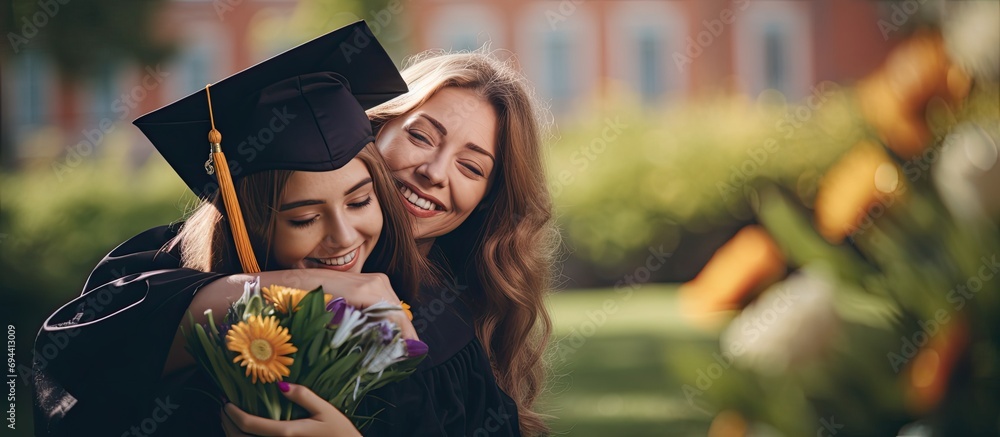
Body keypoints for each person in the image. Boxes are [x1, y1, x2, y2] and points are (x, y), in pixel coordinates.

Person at [31, 22, 428, 436]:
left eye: (360, 201)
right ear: (250, 223)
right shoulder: (162, 278)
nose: (345, 237)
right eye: (303, 219)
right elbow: (76, 355)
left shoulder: (423, 317)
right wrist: (304, 287)